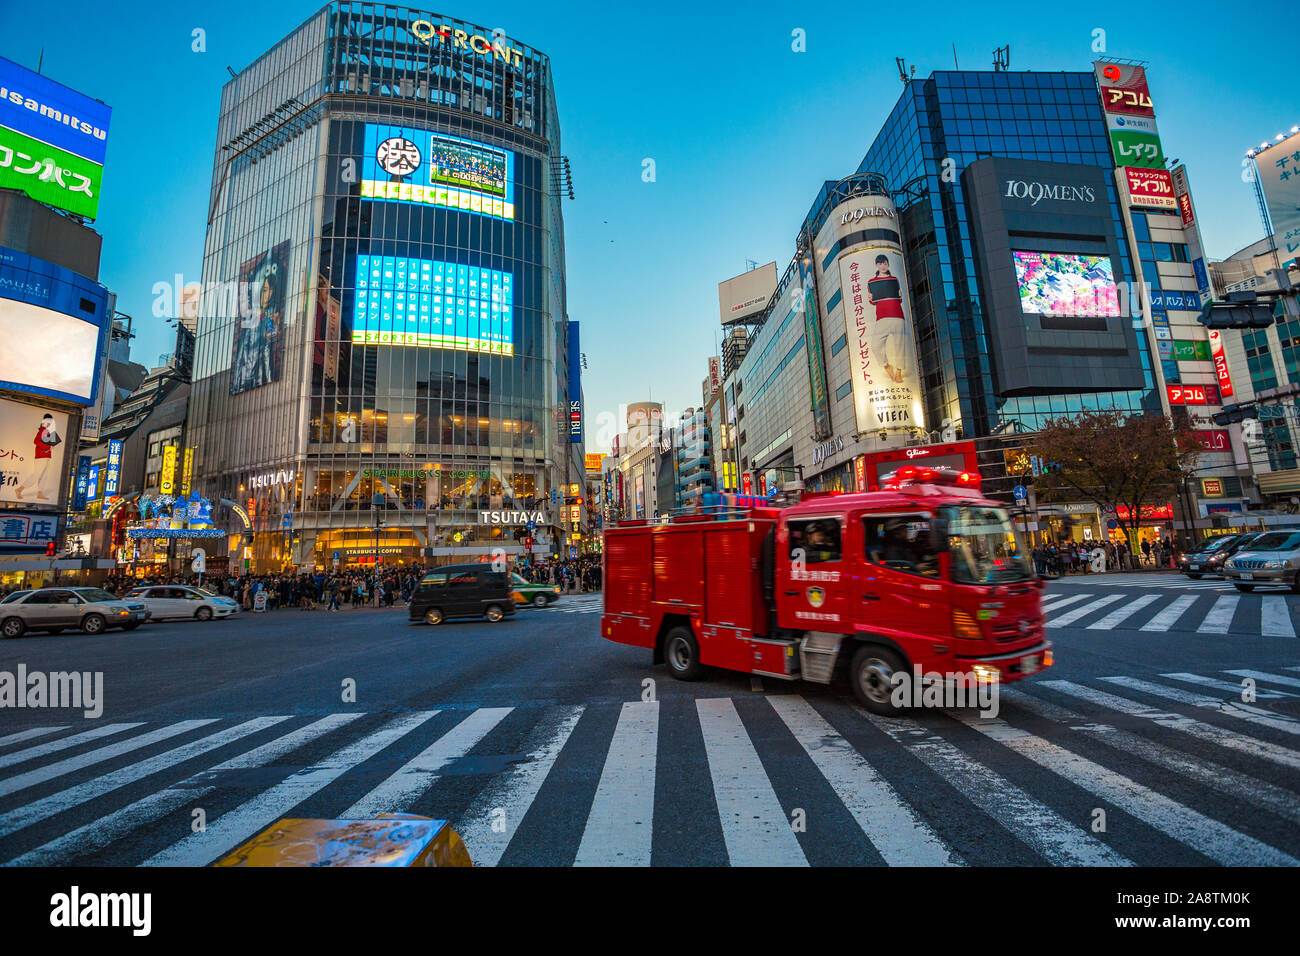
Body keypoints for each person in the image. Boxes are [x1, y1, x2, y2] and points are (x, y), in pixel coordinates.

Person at [866, 254, 907, 384]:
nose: (882, 266)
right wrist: (871, 299)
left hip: (897, 315)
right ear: (876, 266)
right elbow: (873, 302)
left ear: (888, 265)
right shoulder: (871, 282)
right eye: (880, 264)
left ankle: (899, 371)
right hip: (882, 317)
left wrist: (899, 296)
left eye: (885, 263)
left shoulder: (895, 279)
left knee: (900, 345)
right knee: (875, 345)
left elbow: (899, 299)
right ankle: (886, 365)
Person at [14, 413, 60, 502]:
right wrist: (48, 447)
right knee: (37, 475)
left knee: (43, 475)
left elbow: (44, 443)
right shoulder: (43, 430)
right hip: (41, 456)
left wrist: (50, 446)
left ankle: (40, 493)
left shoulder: (47, 431)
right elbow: (36, 441)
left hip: (45, 456)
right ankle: (19, 489)